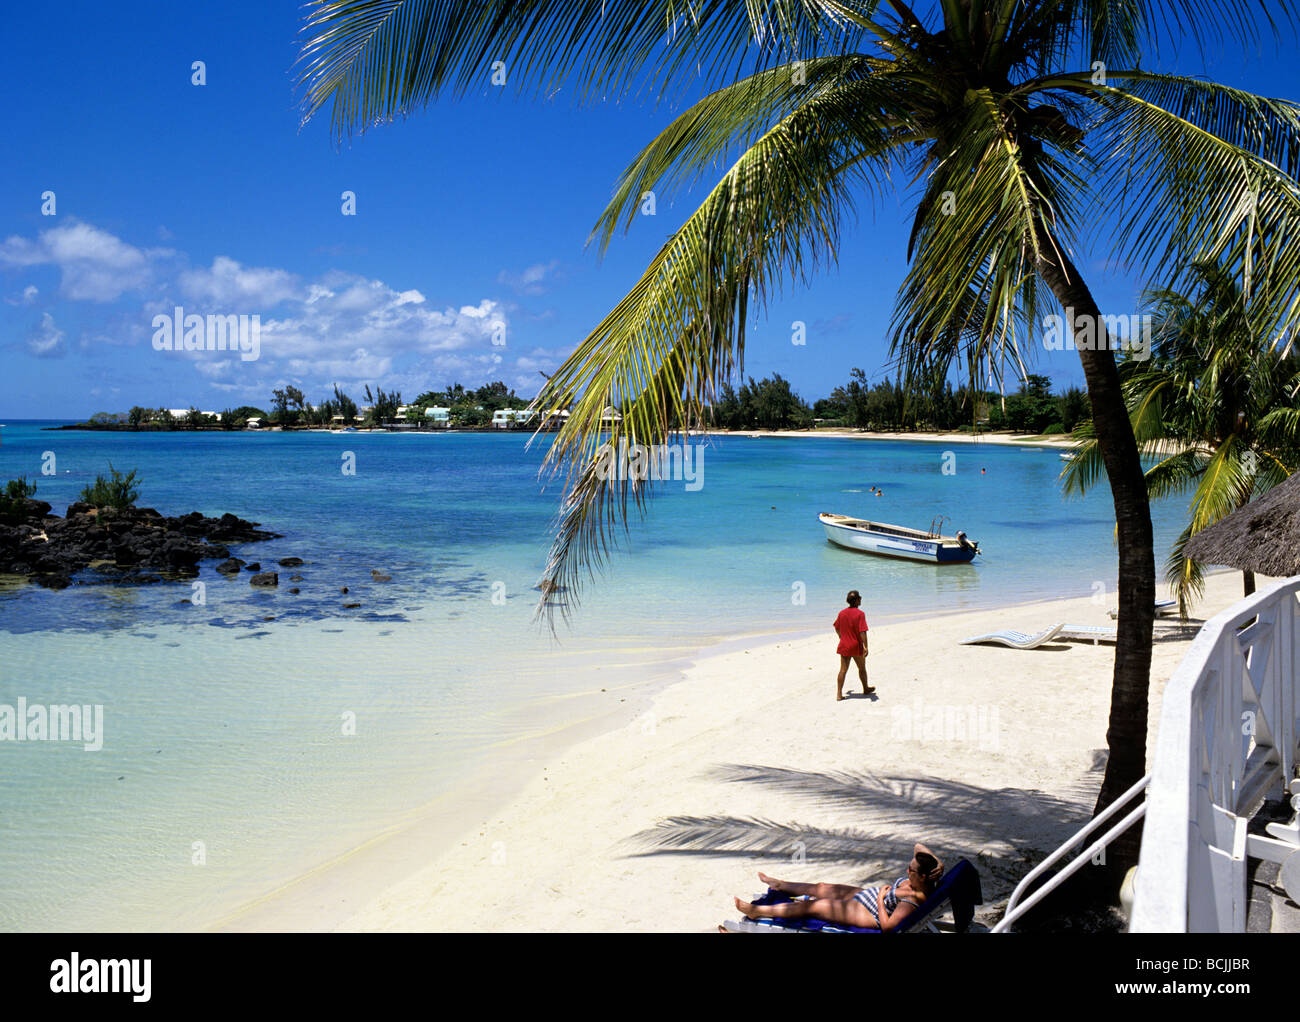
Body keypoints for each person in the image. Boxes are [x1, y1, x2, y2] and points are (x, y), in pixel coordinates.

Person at [734, 845, 944, 932]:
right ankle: (780, 885)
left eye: (911, 870)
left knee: (817, 906)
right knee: (823, 887)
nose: (907, 871)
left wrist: (880, 900)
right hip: (868, 895)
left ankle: (757, 911)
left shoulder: (912, 901)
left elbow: (888, 927)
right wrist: (938, 862)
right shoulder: (924, 879)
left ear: (923, 877)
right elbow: (918, 846)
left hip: (870, 913)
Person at [832, 590, 872, 700]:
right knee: (862, 668)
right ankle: (865, 688)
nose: (861, 599)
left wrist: (841, 636)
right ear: (856, 601)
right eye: (860, 598)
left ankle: (839, 694)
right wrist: (866, 646)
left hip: (844, 645)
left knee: (843, 670)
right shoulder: (860, 614)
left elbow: (836, 627)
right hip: (856, 646)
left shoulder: (842, 613)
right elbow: (862, 631)